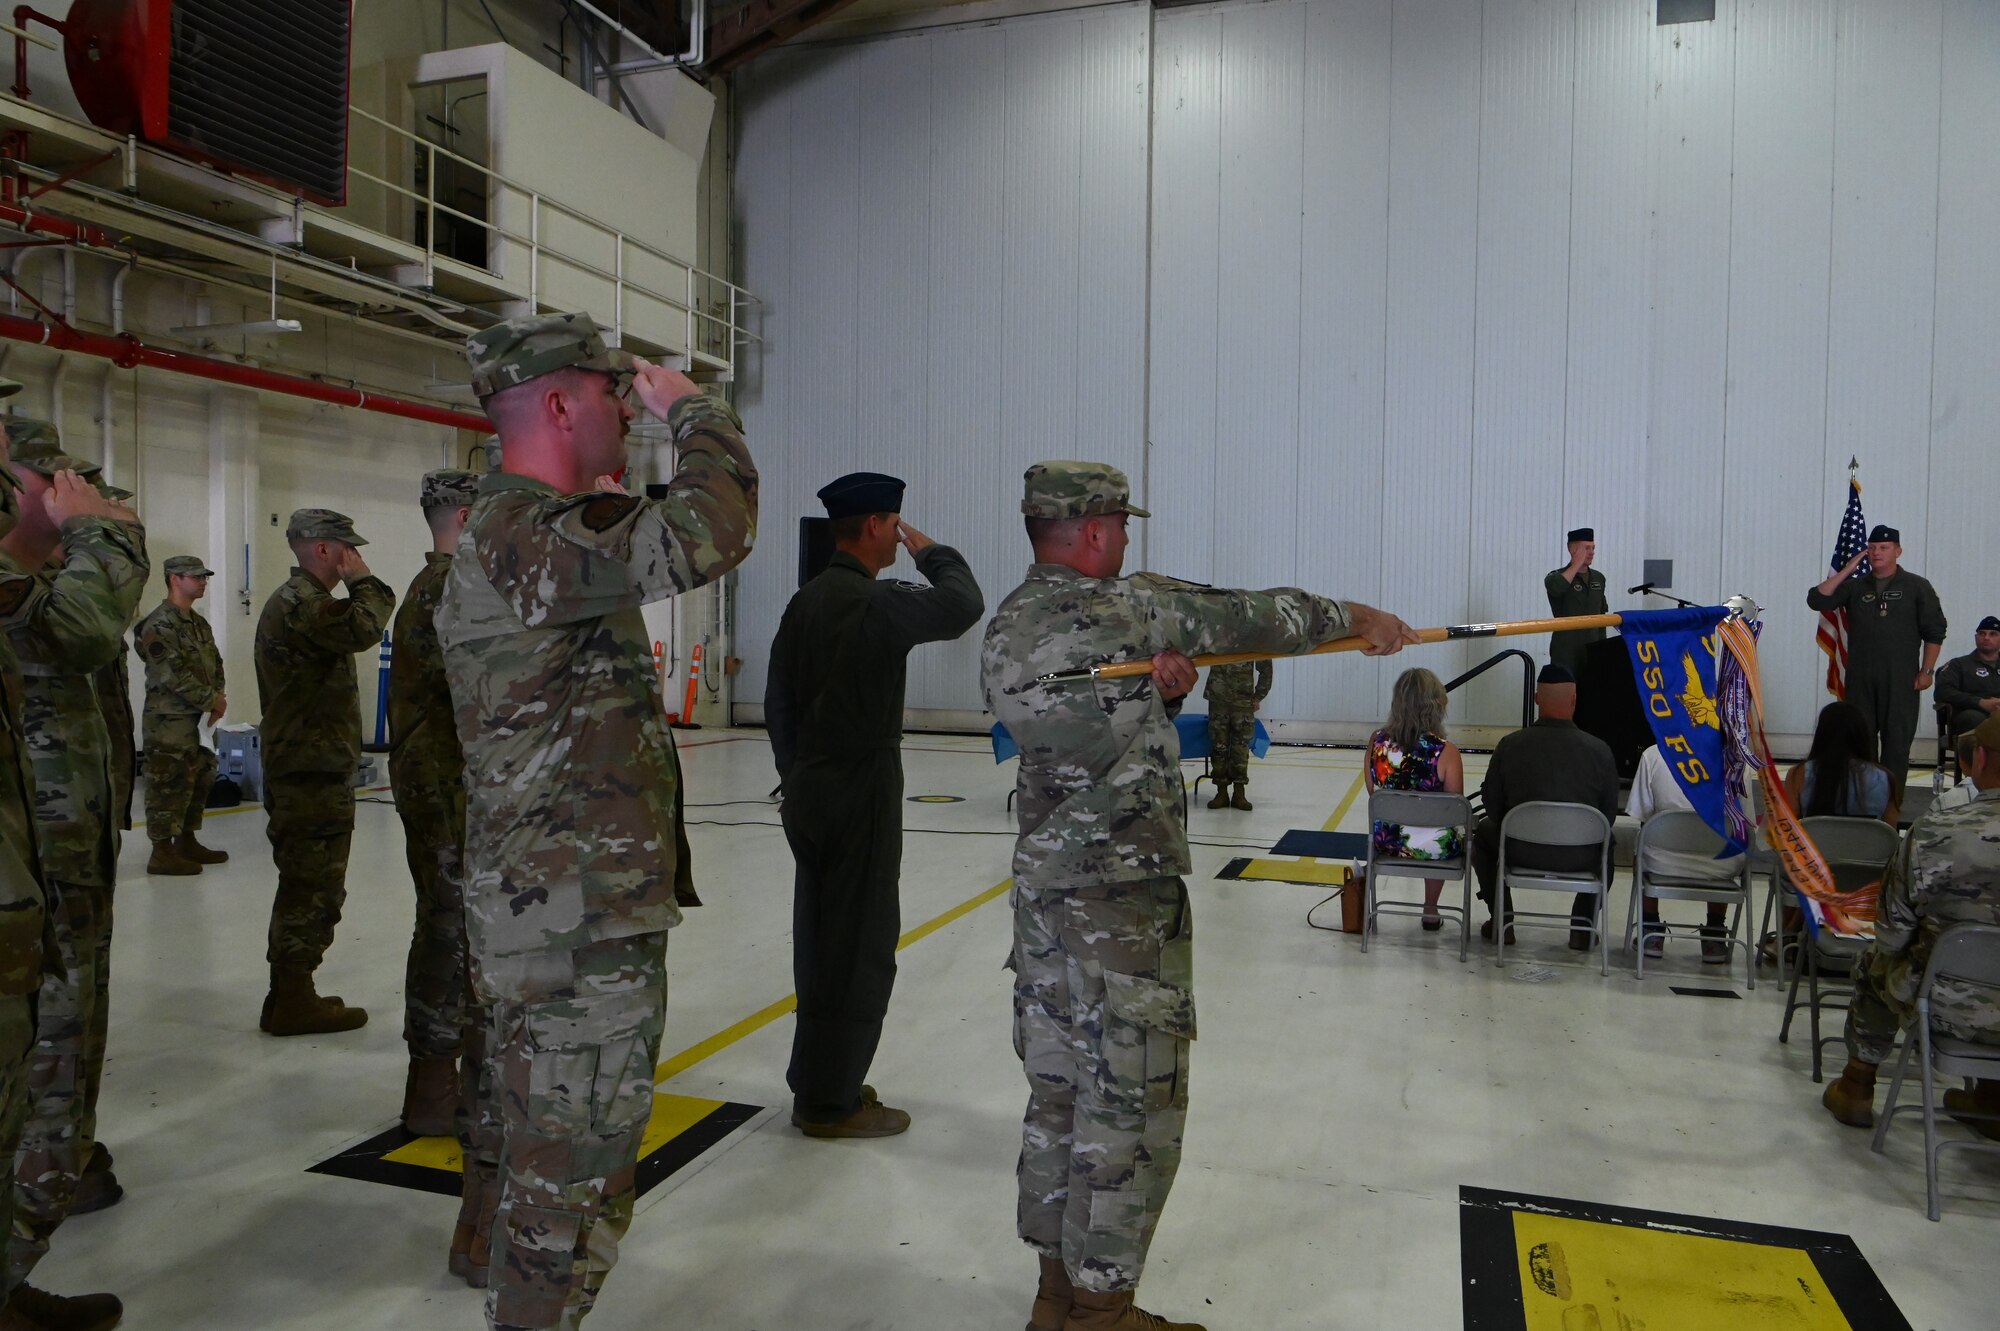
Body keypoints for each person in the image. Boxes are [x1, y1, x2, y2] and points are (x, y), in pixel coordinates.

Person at [982, 459, 1416, 1331]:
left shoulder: (1010, 626)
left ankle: (1054, 1300)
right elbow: (1252, 615)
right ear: (1097, 530)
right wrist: (1358, 619)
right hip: (1122, 906)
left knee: (1060, 1098)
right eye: (1124, 524)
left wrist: (1151, 688)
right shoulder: (1131, 609)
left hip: (1045, 908)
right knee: (1131, 1105)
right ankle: (1102, 1314)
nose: (1131, 538)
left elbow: (1081, 727)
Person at [436, 312, 756, 1331]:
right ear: (561, 402)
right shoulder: (520, 532)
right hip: (567, 921)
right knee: (567, 1182)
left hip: (574, 907)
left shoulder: (537, 533)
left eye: (635, 390)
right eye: (612, 389)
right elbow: (710, 528)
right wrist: (695, 409)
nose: (629, 405)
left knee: (573, 1164)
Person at [766, 472, 983, 1139]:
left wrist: (798, 775)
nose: (899, 533)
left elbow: (777, 704)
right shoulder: (876, 603)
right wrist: (935, 553)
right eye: (895, 523)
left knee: (820, 938)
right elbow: (961, 605)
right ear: (873, 527)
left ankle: (820, 1081)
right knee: (858, 946)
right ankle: (831, 1104)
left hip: (810, 788)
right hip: (860, 788)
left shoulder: (806, 601)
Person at [0, 416, 146, 1331]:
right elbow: (92, 633)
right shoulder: (24, 589)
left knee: (61, 1059)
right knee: (44, 1064)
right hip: (32, 874)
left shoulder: (38, 582)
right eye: (44, 473)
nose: (65, 484)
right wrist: (107, 530)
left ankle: (11, 1265)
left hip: (67, 867)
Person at [1820, 713, 2000, 1131]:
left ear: (1982, 759)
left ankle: (1856, 1086)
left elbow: (1891, 933)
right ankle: (1991, 1097)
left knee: (1875, 965)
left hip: (1944, 1006)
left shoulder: (1935, 832)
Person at [254, 508, 395, 1036]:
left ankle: (288, 995)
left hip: (310, 764)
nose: (352, 557)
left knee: (307, 882)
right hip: (308, 770)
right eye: (346, 549)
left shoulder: (302, 604)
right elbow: (365, 626)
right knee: (312, 886)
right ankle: (293, 999)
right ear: (322, 550)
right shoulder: (301, 605)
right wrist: (364, 580)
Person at [387, 470, 481, 1141]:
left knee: (453, 923)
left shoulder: (434, 587)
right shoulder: (449, 589)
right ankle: (432, 1082)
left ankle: (448, 1071)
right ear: (471, 518)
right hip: (444, 784)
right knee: (448, 926)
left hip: (440, 780)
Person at [1471, 663, 1621, 950]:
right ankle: (1582, 928)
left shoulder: (1510, 745)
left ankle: (1503, 921)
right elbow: (1608, 815)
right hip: (1581, 856)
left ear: (1536, 699)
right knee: (1608, 843)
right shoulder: (1600, 751)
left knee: (1485, 834)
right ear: (1575, 700)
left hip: (1518, 849)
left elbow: (1491, 804)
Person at [1806, 524, 1946, 793]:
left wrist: (1927, 670)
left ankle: (1891, 806)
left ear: (1898, 551)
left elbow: (1935, 631)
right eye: (1871, 548)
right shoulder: (1856, 587)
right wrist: (1847, 569)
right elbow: (1817, 600)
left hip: (1901, 679)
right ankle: (1863, 802)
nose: (1876, 552)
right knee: (1861, 744)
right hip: (1861, 679)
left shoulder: (1917, 586)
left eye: (1884, 547)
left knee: (1897, 745)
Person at [133, 555, 228, 877]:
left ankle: (187, 840)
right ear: (174, 578)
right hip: (168, 720)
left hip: (197, 720)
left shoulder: (198, 623)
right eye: (196, 576)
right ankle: (161, 851)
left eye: (204, 577)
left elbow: (215, 663)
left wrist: (218, 697)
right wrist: (210, 698)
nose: (203, 582)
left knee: (199, 776)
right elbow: (168, 674)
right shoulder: (158, 624)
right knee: (167, 781)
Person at [1363, 667, 1464, 931]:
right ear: (1437, 705)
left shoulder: (1377, 743)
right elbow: (1454, 806)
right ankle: (1430, 907)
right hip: (1434, 847)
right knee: (1443, 830)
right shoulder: (1446, 751)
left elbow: (1373, 791)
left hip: (1388, 840)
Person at [1626, 743, 1743, 964]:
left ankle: (1650, 929)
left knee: (1642, 838)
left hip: (1662, 863)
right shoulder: (1734, 760)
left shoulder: (1653, 755)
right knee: (1729, 840)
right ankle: (1715, 932)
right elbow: (1744, 820)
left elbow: (1641, 813)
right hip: (1722, 866)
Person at [1783, 701, 1900, 826]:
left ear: (1821, 734)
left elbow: (1788, 827)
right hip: (1865, 845)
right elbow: (1890, 835)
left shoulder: (1798, 774)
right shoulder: (1885, 778)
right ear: (1862, 736)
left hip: (1816, 844)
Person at [1202, 660, 1271, 810]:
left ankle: (1239, 793)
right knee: (1218, 747)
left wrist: (1259, 695)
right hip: (1218, 699)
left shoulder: (1253, 638)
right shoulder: (1215, 637)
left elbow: (1265, 667)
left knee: (1240, 748)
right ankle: (1221, 792)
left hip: (1243, 701)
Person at [1544, 527, 1607, 677]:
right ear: (1573, 550)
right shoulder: (1555, 577)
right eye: (1586, 548)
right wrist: (1576, 564)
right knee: (1565, 695)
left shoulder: (1598, 578)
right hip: (1566, 650)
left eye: (1593, 548)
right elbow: (1556, 589)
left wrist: (1603, 647)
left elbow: (1601, 616)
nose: (1591, 552)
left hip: (1592, 648)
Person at [1934, 614, 2000, 740]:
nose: (1986, 637)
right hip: (1972, 712)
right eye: (1982, 633)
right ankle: (1976, 759)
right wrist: (1979, 702)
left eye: (1993, 634)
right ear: (1976, 637)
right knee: (1973, 719)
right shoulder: (1958, 665)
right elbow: (1943, 691)